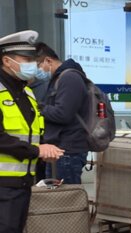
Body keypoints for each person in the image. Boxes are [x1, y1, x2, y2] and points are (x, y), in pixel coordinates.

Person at [0, 30, 64, 233]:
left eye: (32, 59)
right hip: (2, 188)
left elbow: (31, 133)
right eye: (24, 58)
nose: (32, 65)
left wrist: (44, 157)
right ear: (6, 61)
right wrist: (37, 150)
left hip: (21, 187)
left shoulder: (25, 93)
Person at [35, 42, 89, 184]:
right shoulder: (58, 78)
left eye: (38, 65)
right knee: (55, 200)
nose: (37, 70)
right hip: (59, 151)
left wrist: (38, 108)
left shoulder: (69, 78)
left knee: (66, 201)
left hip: (67, 152)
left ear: (48, 60)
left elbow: (63, 114)